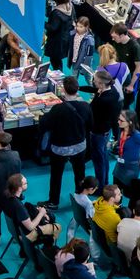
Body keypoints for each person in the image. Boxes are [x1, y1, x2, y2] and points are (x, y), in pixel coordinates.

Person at [40, 76, 90, 208]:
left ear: (63, 89)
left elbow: (46, 125)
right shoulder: (85, 106)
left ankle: (53, 201)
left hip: (60, 148)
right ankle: (80, 198)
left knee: (56, 175)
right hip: (79, 146)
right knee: (80, 173)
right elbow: (90, 125)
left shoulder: (58, 109)